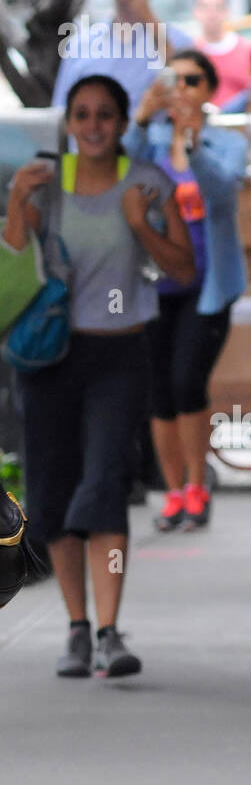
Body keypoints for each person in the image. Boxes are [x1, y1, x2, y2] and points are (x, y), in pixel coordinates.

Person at [4, 75, 195, 679]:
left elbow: (184, 270)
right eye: (82, 114)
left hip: (119, 356)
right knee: (53, 492)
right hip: (51, 357)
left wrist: (142, 227)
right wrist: (15, 203)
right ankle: (77, 629)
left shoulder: (146, 182)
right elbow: (8, 267)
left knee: (105, 481)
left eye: (106, 115)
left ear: (120, 121)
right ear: (68, 121)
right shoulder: (49, 179)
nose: (93, 125)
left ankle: (110, 631)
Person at [127, 49, 247, 531]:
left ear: (210, 88)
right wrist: (142, 116)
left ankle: (199, 485)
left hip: (209, 287)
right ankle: (174, 492)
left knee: (186, 383)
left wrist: (192, 143)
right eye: (174, 79)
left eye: (193, 80)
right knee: (159, 391)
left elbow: (220, 191)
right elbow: (119, 169)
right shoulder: (151, 140)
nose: (183, 88)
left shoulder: (225, 142)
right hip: (156, 283)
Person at [53, 0, 192, 113]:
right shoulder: (81, 45)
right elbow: (61, 111)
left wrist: (149, 19)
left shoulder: (178, 42)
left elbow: (188, 93)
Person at [193, 0, 251, 112]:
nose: (212, 14)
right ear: (196, 12)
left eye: (218, 7)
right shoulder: (191, 52)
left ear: (227, 11)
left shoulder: (246, 49)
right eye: (205, 7)